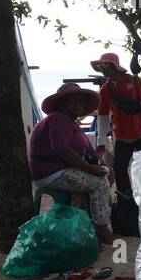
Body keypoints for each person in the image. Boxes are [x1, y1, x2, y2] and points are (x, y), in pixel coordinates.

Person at [28, 82, 114, 242]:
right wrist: (91, 169)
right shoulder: (58, 119)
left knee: (98, 177)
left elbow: (90, 151)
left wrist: (105, 165)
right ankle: (102, 229)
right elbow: (62, 150)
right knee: (99, 183)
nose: (78, 104)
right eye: (72, 101)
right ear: (62, 103)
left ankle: (85, 226)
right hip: (50, 173)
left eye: (80, 101)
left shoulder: (69, 122)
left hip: (60, 171)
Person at [91, 51, 141, 200]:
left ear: (114, 66)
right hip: (122, 134)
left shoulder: (135, 81)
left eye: (106, 65)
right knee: (120, 167)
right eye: (101, 66)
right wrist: (101, 141)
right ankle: (125, 197)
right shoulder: (105, 90)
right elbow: (103, 115)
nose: (103, 69)